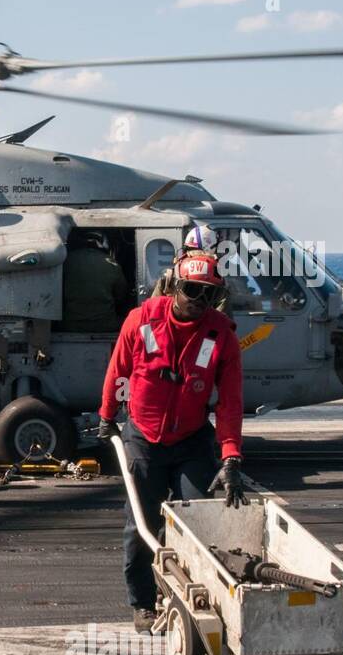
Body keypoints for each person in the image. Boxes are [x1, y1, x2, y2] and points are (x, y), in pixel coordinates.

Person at [97, 251, 246, 632]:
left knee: (198, 522)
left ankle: (194, 593)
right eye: (192, 290)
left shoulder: (221, 336)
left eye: (208, 294)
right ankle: (143, 603)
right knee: (140, 527)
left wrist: (231, 459)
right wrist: (107, 415)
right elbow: (119, 369)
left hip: (192, 440)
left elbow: (230, 403)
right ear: (176, 286)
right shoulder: (142, 319)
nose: (198, 299)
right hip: (144, 438)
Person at [57, 231, 130, 333]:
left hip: (70, 325)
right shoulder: (112, 264)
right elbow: (121, 297)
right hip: (106, 325)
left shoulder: (65, 262)